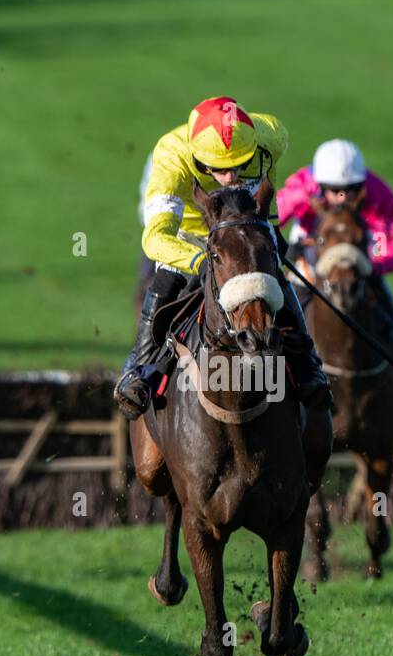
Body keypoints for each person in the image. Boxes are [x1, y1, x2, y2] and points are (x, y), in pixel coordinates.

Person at [113, 96, 330, 419]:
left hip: (244, 230)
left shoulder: (270, 136)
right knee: (165, 281)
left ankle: (307, 364)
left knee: (275, 280)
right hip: (191, 237)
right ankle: (140, 369)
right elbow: (155, 237)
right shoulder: (171, 157)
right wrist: (201, 262)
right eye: (220, 169)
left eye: (238, 165)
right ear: (197, 158)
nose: (230, 177)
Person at [276, 138, 393, 371]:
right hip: (311, 248)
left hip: (359, 255)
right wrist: (285, 247)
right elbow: (270, 218)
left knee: (381, 291)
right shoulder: (303, 186)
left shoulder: (379, 195)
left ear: (361, 185)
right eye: (335, 191)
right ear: (320, 186)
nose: (343, 198)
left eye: (351, 190)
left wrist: (373, 266)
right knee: (290, 295)